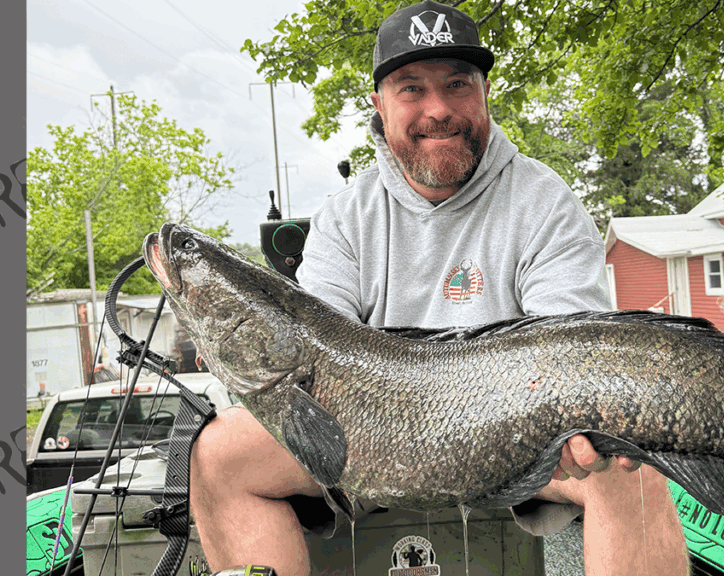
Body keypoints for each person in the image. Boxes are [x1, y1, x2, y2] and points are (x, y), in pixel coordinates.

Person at [190, 2, 689, 575]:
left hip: (516, 448)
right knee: (218, 454)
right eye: (411, 89)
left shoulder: (545, 202)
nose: (439, 110)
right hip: (368, 446)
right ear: (378, 105)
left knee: (631, 469)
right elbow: (315, 359)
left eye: (457, 84)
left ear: (483, 93)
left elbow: (568, 355)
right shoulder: (345, 217)